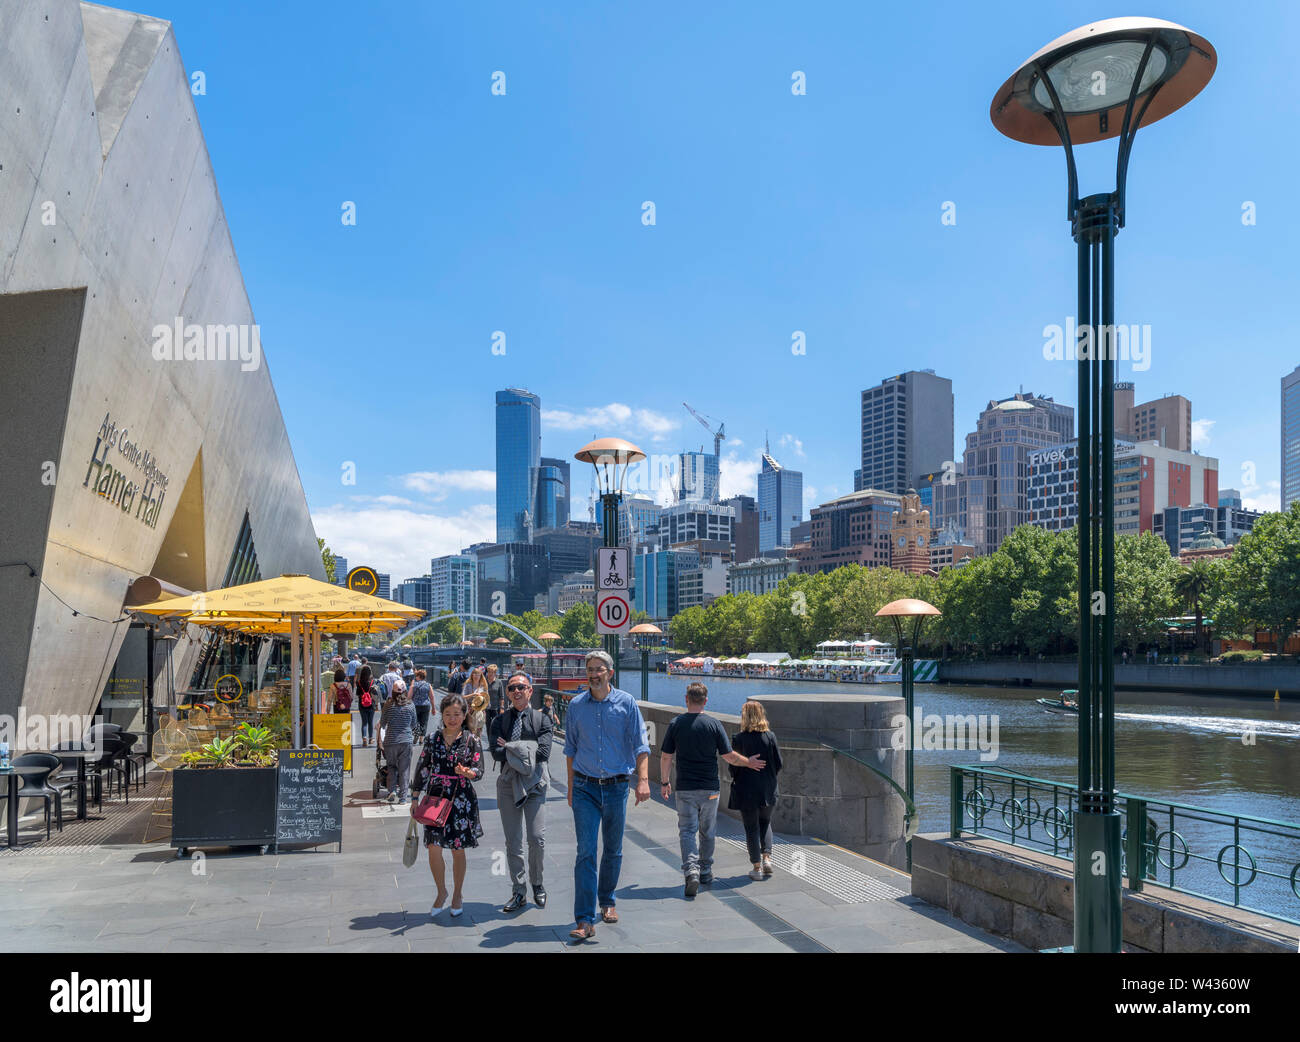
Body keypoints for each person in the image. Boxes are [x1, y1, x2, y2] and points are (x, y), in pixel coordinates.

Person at [563, 650, 650, 941]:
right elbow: (570, 749)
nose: (593, 674)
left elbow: (641, 745)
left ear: (610, 673)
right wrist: (570, 787)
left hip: (616, 787)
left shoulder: (627, 703)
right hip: (585, 787)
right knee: (585, 852)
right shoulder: (576, 705)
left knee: (613, 849)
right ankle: (584, 919)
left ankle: (608, 900)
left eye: (599, 669)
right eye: (590, 669)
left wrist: (643, 781)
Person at [660, 683, 765, 895]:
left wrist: (664, 782)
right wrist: (749, 762)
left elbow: (666, 757)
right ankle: (706, 870)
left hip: (686, 788)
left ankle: (691, 871)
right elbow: (729, 756)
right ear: (705, 701)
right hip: (710, 788)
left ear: (686, 699)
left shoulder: (676, 724)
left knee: (687, 831)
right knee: (707, 830)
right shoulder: (714, 724)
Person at [411, 692, 484, 917]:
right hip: (436, 797)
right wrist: (414, 797)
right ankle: (441, 891)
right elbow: (423, 767)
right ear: (442, 715)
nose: (452, 718)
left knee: (457, 848)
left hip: (461, 799)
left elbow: (479, 770)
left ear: (464, 715)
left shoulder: (472, 740)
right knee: (433, 847)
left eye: (457, 714)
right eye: (448, 714)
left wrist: (468, 772)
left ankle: (457, 894)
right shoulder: (432, 738)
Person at [488, 671, 552, 912]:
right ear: (507, 692)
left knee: (536, 838)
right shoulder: (499, 721)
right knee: (513, 841)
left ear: (530, 691)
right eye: (512, 687)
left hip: (535, 783)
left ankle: (538, 884)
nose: (517, 691)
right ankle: (519, 890)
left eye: (521, 687)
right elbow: (495, 753)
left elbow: (543, 753)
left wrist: (510, 746)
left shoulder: (542, 719)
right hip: (508, 783)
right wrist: (526, 749)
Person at [728, 700, 783, 881]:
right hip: (768, 789)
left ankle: (756, 868)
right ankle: (767, 858)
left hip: (747, 790)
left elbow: (733, 767)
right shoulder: (770, 737)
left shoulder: (738, 739)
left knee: (751, 827)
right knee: (765, 822)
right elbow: (779, 763)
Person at [378, 678, 416, 804]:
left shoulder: (388, 705)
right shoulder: (410, 705)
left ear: (392, 692)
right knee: (404, 769)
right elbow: (414, 724)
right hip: (406, 741)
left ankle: (392, 791)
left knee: (392, 767)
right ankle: (403, 798)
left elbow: (383, 723)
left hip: (390, 741)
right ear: (405, 691)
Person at [463, 667, 489, 738]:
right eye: (474, 674)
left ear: (481, 676)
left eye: (478, 674)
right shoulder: (468, 685)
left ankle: (477, 743)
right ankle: (469, 743)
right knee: (469, 730)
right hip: (470, 710)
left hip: (480, 710)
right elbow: (463, 697)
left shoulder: (483, 686)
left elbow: (487, 698)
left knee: (478, 731)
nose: (476, 676)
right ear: (472, 675)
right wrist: (473, 694)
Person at [410, 669, 434, 742]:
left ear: (419, 676)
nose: (415, 677)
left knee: (415, 721)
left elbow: (409, 696)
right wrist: (433, 708)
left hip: (415, 706)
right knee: (424, 722)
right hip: (425, 705)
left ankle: (416, 734)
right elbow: (432, 697)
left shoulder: (414, 685)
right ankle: (421, 739)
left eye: (416, 676)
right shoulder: (428, 685)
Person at [356, 666, 377, 746]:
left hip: (362, 704)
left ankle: (364, 738)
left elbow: (358, 694)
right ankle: (371, 738)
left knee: (364, 722)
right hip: (371, 704)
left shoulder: (359, 682)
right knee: (370, 722)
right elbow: (375, 694)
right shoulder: (372, 682)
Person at [484, 664, 505, 738]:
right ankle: (490, 741)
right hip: (485, 708)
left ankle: (495, 740)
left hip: (496, 708)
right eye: (490, 672)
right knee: (488, 726)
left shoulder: (499, 682)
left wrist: (502, 708)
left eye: (493, 672)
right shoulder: (484, 681)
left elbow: (502, 696)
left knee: (495, 725)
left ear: (495, 673)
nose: (491, 673)